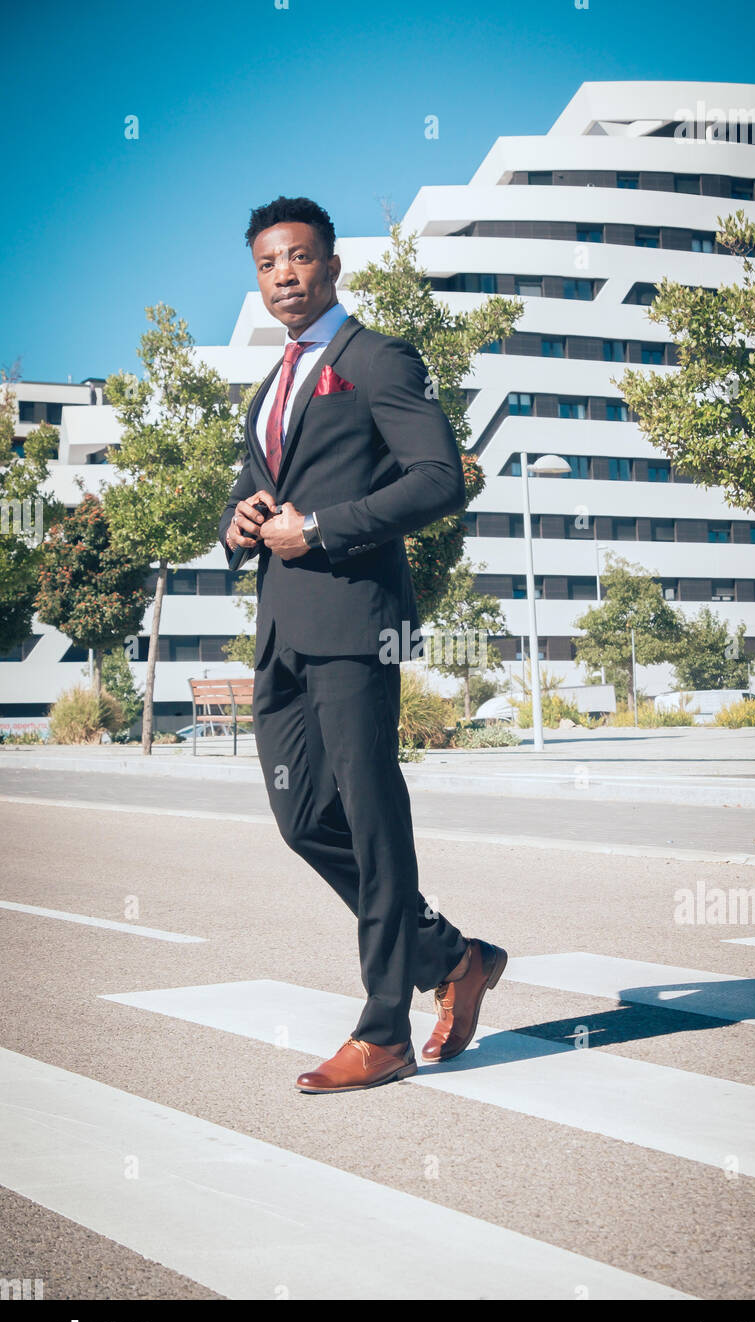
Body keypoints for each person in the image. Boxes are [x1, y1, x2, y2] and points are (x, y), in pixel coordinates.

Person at [219, 196, 507, 1094]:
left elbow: (440, 478)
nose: (285, 277)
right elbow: (255, 493)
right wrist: (238, 526)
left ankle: (383, 1029)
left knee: (375, 820)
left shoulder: (378, 359)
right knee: (303, 817)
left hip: (356, 627)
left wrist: (330, 526)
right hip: (281, 634)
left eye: (300, 258)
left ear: (334, 264)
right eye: (269, 265)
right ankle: (452, 956)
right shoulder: (269, 390)